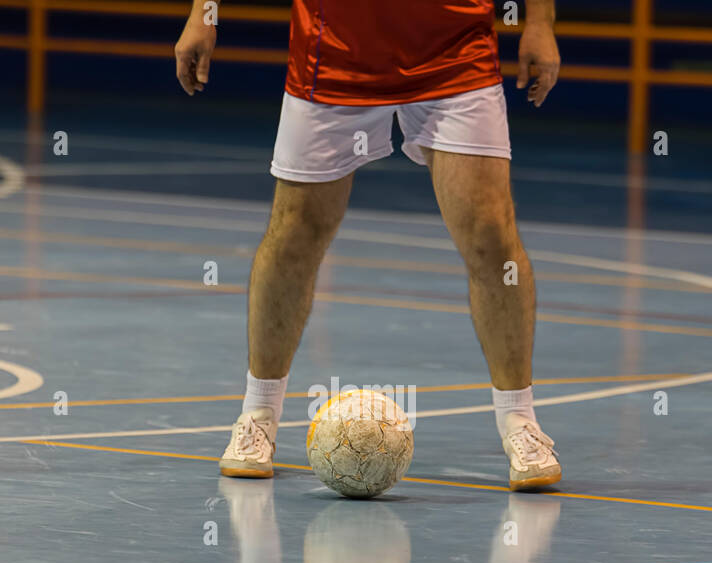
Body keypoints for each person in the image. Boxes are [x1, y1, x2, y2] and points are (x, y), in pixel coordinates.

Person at [175, 0, 563, 490]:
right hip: (334, 48)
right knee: (294, 234)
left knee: (492, 239)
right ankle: (258, 415)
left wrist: (541, 22)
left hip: (454, 51)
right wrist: (203, 14)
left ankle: (520, 422)